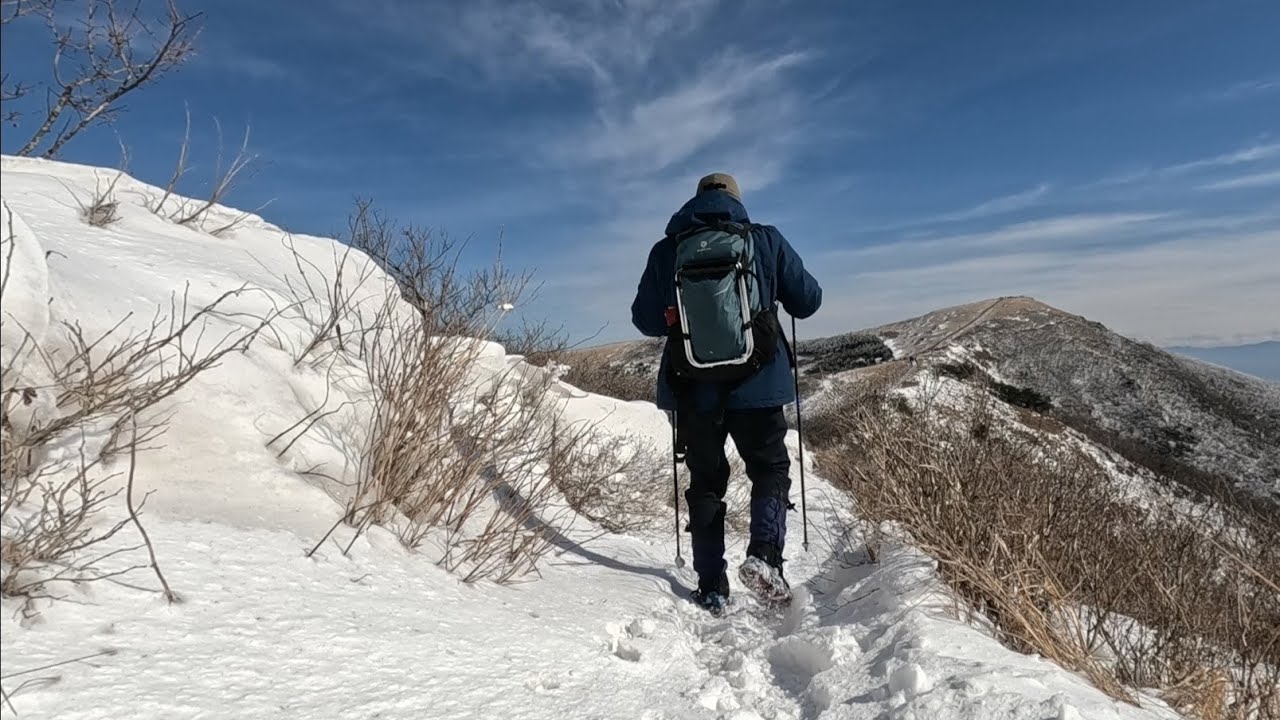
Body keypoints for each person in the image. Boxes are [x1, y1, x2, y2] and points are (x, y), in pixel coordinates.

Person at [630, 172, 822, 614]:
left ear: (695, 202)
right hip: (758, 384)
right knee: (770, 467)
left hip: (693, 386)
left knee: (706, 483)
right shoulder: (764, 240)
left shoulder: (667, 251)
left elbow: (645, 321)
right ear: (736, 200)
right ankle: (765, 557)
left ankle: (712, 584)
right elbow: (808, 301)